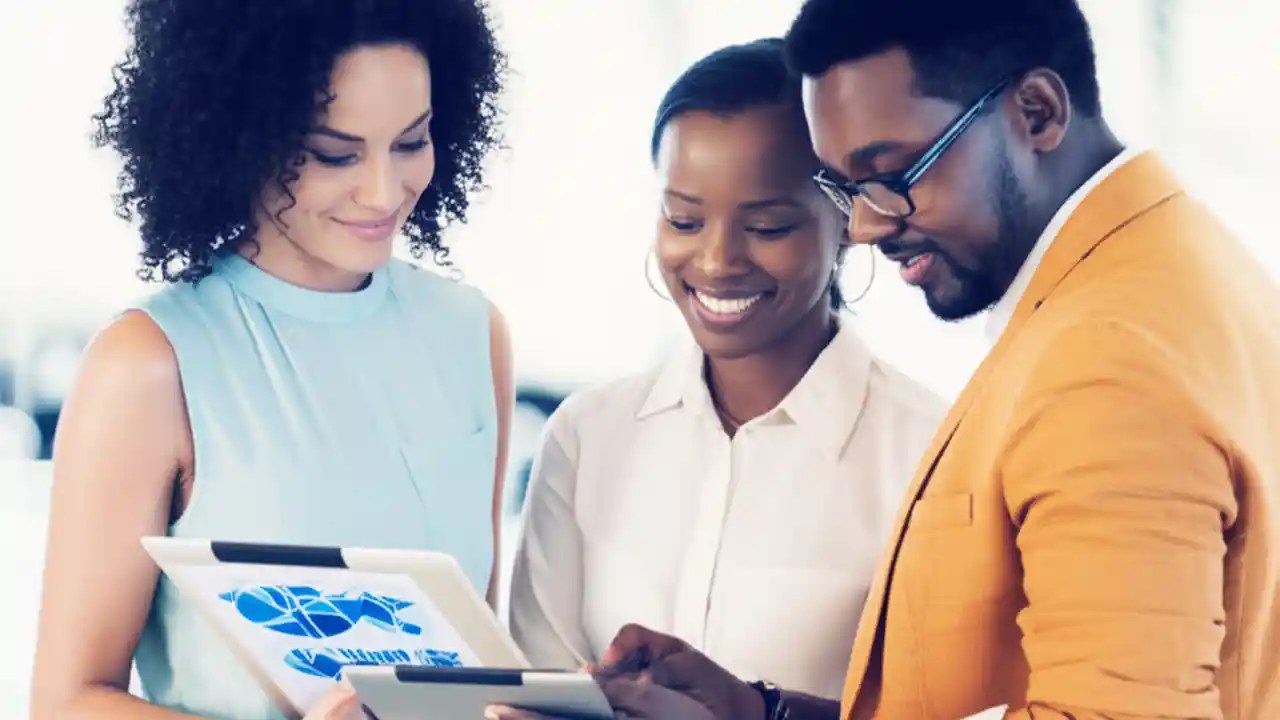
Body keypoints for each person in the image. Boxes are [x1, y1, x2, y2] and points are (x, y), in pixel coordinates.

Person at [495, 1, 1280, 719]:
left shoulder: (1108, 358)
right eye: (848, 189)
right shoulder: (1181, 263)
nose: (866, 228)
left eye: (893, 174)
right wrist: (760, 714)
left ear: (1035, 113)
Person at [29, 1, 510, 719]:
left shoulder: (472, 332)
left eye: (411, 141)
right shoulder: (149, 363)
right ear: (239, 134)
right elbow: (67, 703)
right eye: (334, 154)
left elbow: (475, 675)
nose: (384, 191)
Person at [501, 37, 945, 710]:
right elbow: (534, 696)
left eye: (767, 227)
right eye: (683, 219)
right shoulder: (587, 437)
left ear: (853, 216)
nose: (715, 261)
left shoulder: (929, 456)